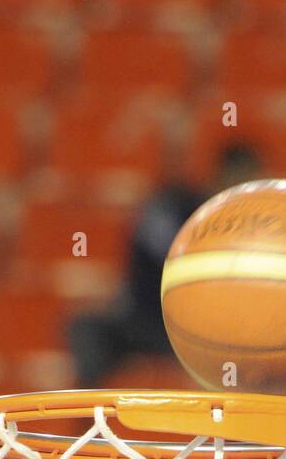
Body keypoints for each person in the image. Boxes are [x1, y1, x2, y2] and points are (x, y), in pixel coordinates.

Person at [67, 144, 264, 387]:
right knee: (87, 326)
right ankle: (91, 414)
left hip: (205, 331)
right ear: (222, 175)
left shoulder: (253, 229)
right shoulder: (175, 205)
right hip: (149, 319)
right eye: (240, 179)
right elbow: (173, 254)